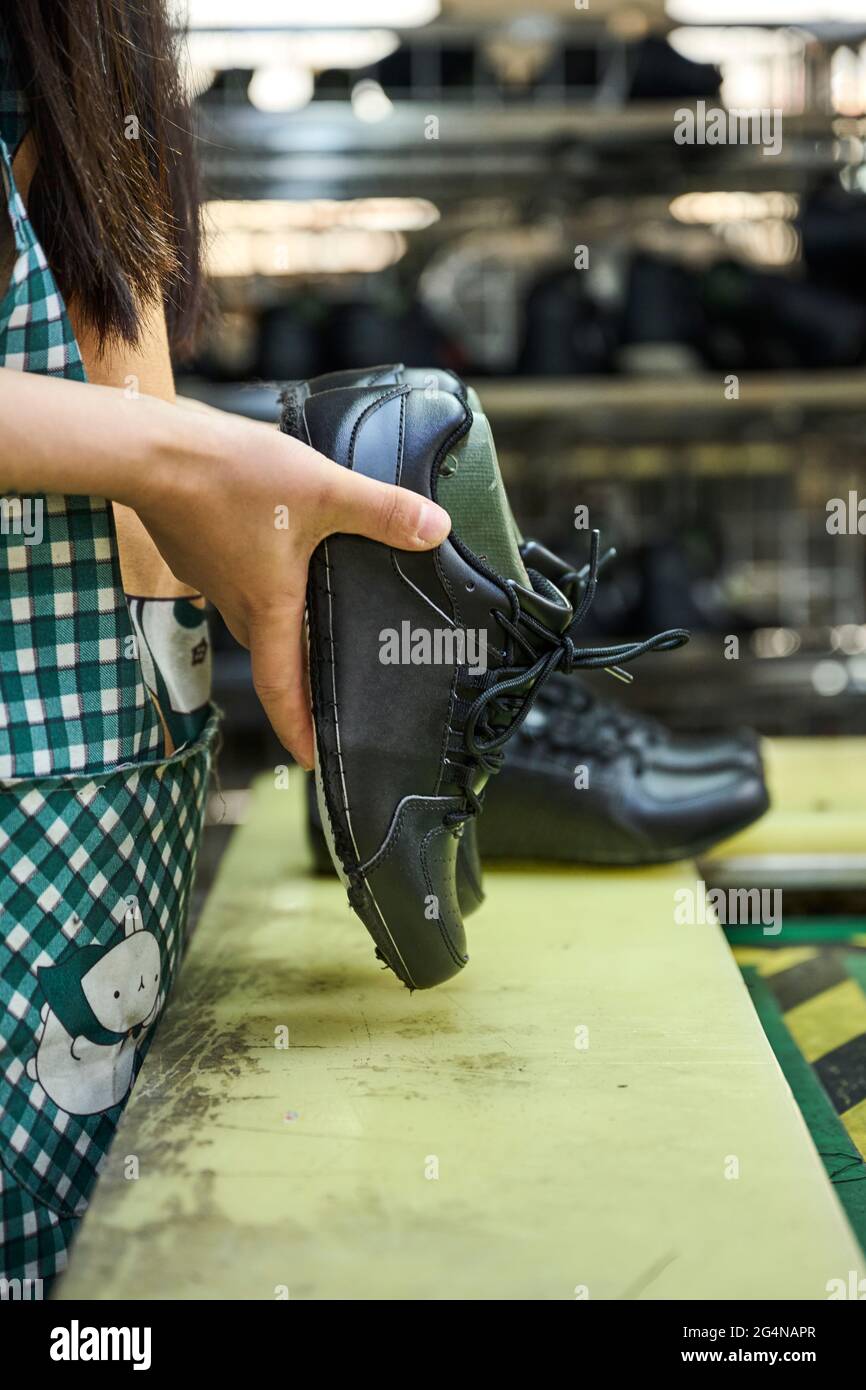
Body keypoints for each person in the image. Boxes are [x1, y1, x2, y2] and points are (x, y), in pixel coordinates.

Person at [0, 1, 451, 1286]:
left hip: (107, 771)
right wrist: (181, 455)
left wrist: (200, 511)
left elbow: (88, 349)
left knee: (99, 1268)